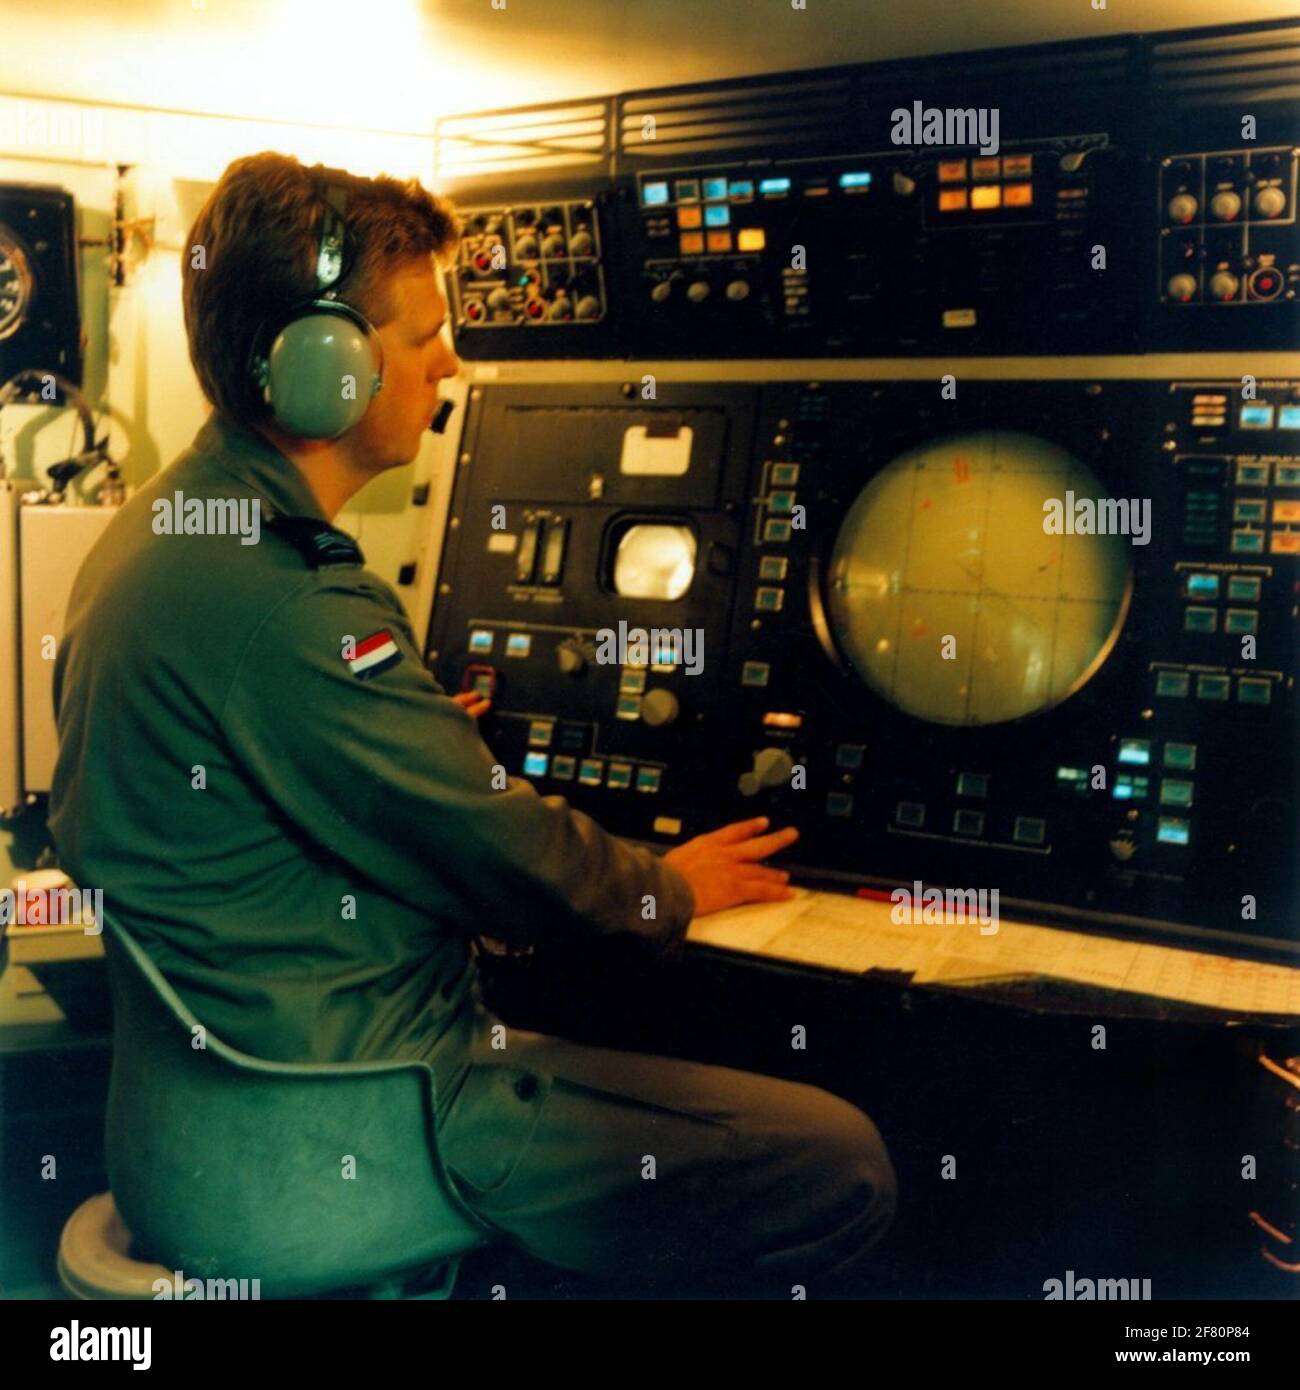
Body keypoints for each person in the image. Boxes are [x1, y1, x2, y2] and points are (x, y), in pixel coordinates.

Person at [48, 152, 896, 1295]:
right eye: (423, 334)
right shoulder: (293, 599)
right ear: (320, 368)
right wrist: (670, 886)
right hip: (351, 1135)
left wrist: (396, 733)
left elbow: (258, 762)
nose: (450, 362)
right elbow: (514, 864)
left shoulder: (161, 533)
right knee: (837, 1159)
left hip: (189, 1150)